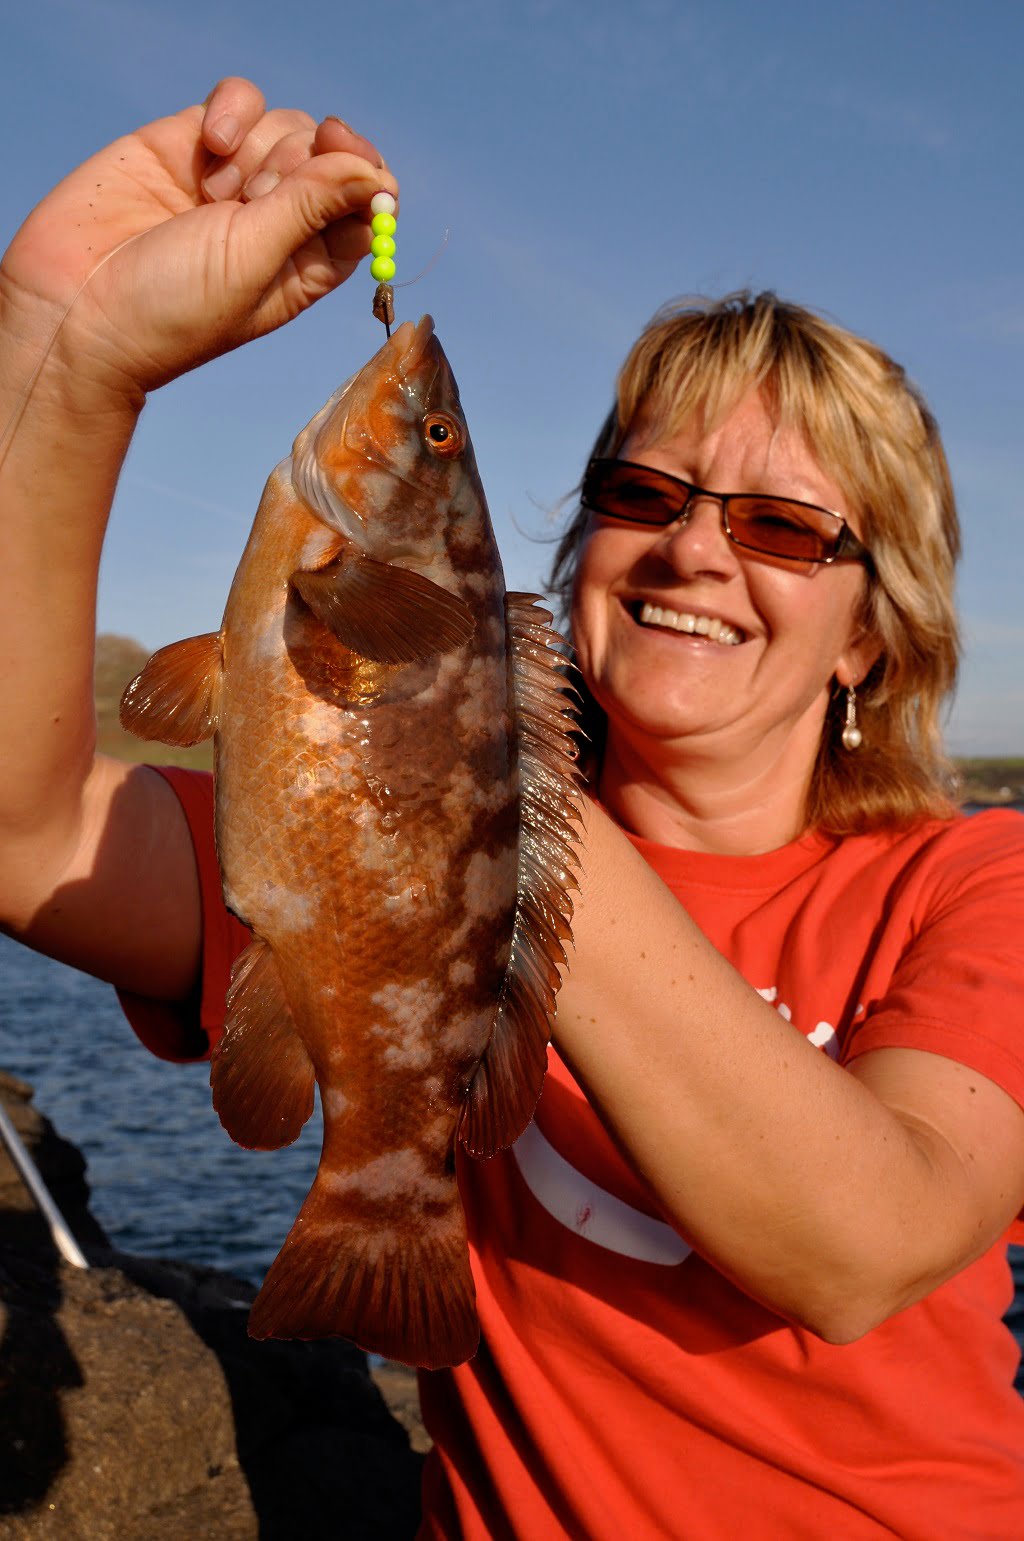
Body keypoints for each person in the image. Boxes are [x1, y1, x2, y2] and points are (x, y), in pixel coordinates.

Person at [2, 77, 1023, 1540]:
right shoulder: (369, 811)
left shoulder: (977, 882)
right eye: (643, 491)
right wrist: (68, 347)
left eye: (785, 526)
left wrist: (472, 764)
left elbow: (868, 1241)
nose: (692, 551)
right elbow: (19, 830)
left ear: (871, 634)